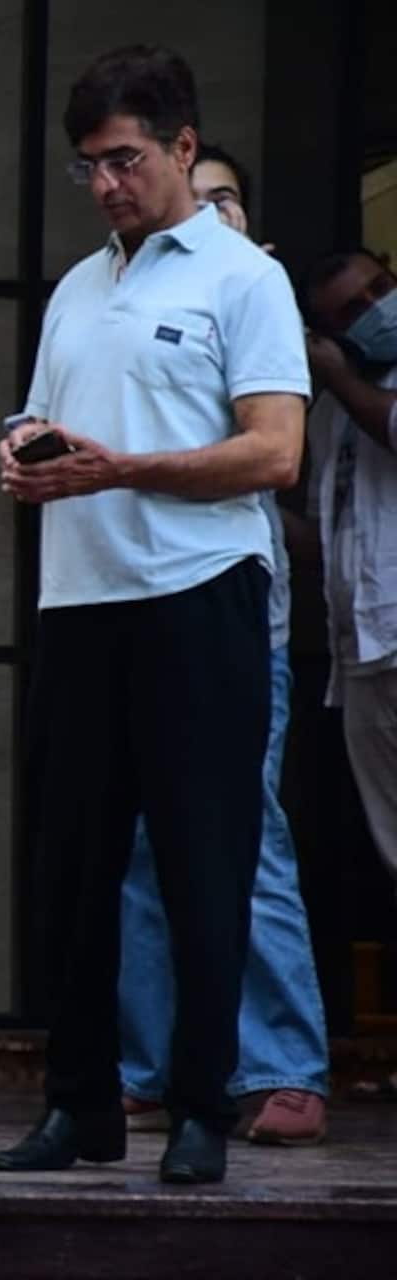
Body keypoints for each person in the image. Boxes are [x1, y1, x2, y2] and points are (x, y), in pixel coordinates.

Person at [0, 45, 307, 1186]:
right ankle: (77, 1105)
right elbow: (46, 417)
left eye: (125, 160)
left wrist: (122, 469)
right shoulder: (81, 285)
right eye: (89, 166)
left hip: (197, 596)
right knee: (72, 871)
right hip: (80, 600)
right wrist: (25, 452)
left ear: (181, 146)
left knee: (201, 862)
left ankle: (200, 1107)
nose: (107, 184)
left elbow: (274, 453)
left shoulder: (241, 277)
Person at [117, 145, 330, 1146]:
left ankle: (281, 1062)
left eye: (222, 200)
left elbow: (276, 459)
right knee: (138, 843)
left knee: (247, 837)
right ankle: (147, 1064)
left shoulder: (251, 296)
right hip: (129, 606)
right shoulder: (118, 296)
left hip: (239, 623)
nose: (202, 217)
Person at [299, 249, 397, 1100]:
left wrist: (337, 375)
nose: (375, 311)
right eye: (352, 308)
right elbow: (322, 538)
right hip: (362, 652)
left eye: (380, 291)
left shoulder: (357, 397)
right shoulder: (330, 416)